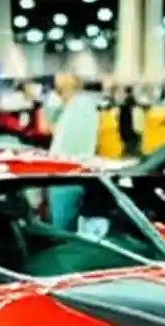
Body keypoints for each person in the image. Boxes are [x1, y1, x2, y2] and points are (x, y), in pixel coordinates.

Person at [47, 73, 100, 230]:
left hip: (64, 177)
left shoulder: (78, 108)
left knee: (62, 230)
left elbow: (61, 143)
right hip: (77, 174)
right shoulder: (83, 107)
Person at [117, 86, 141, 157]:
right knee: (130, 142)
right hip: (130, 126)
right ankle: (128, 153)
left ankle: (129, 153)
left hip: (128, 126)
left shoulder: (126, 102)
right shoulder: (132, 101)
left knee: (129, 143)